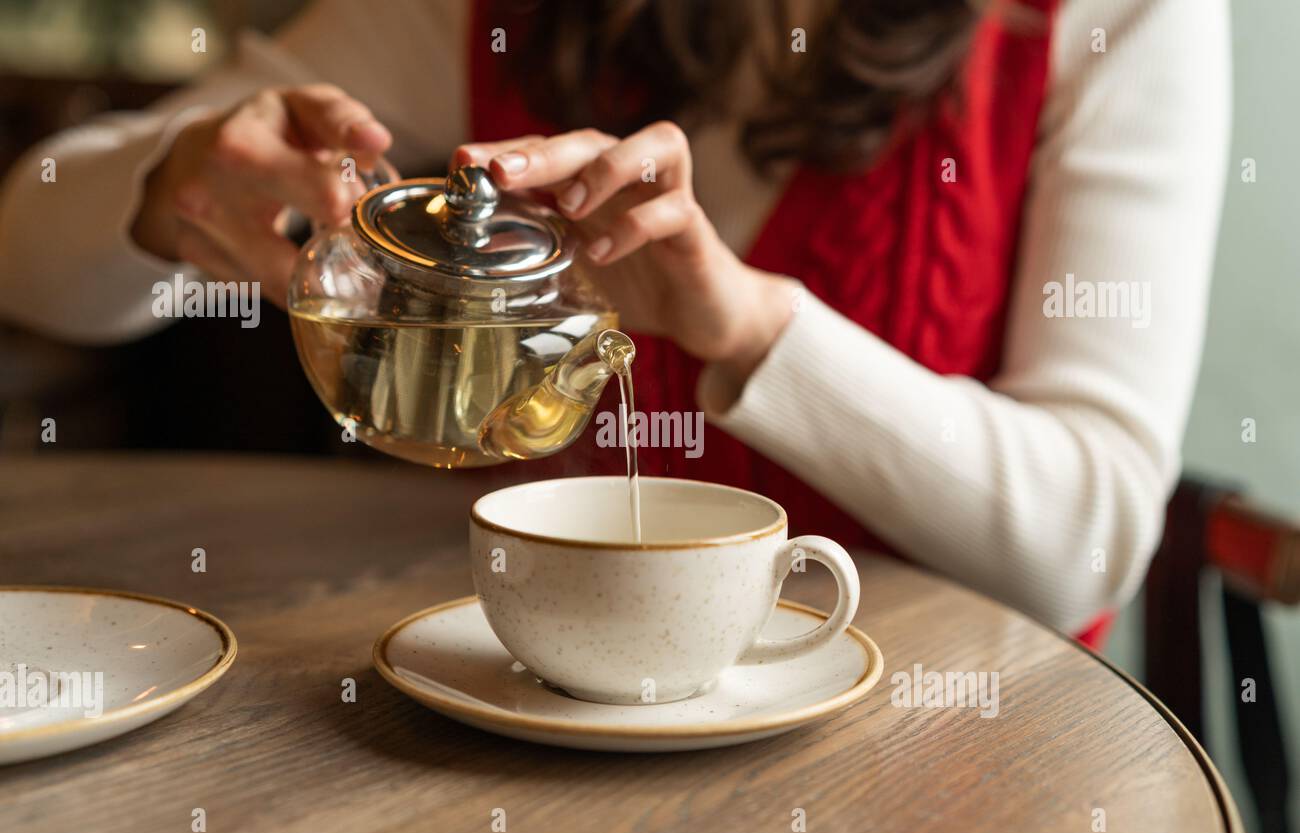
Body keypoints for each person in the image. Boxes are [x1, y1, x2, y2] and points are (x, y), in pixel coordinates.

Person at [0, 0, 1230, 640]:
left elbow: (1089, 536)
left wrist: (743, 323)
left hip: (938, 762)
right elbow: (30, 254)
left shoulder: (1091, 24)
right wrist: (176, 186)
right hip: (550, 712)